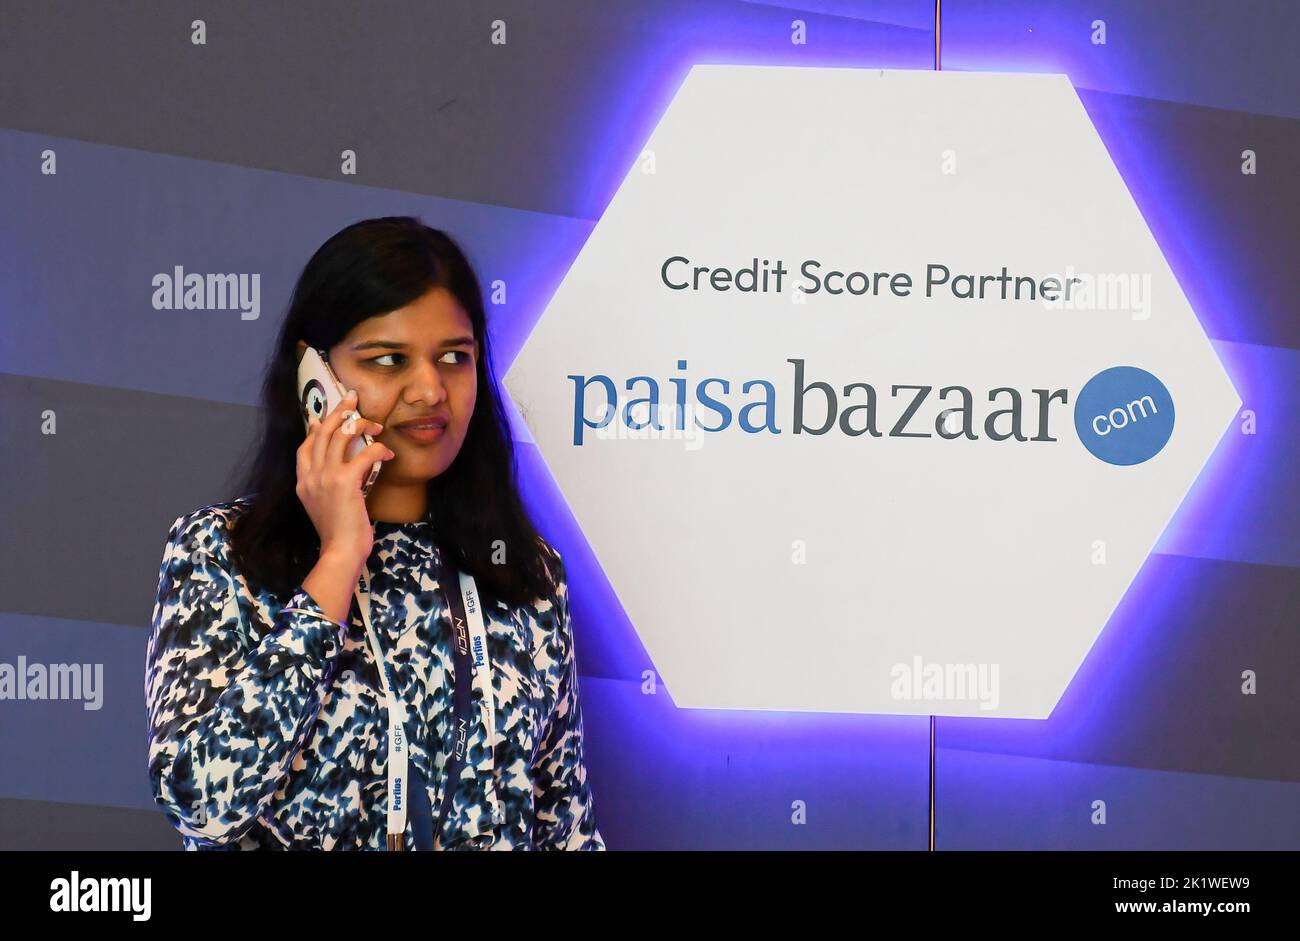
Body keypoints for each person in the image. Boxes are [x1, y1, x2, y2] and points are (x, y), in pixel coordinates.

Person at [145, 216, 606, 850]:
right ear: (314, 379)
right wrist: (340, 557)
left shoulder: (526, 573)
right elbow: (202, 805)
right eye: (388, 360)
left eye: (455, 358)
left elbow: (567, 832)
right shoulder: (223, 553)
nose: (429, 389)